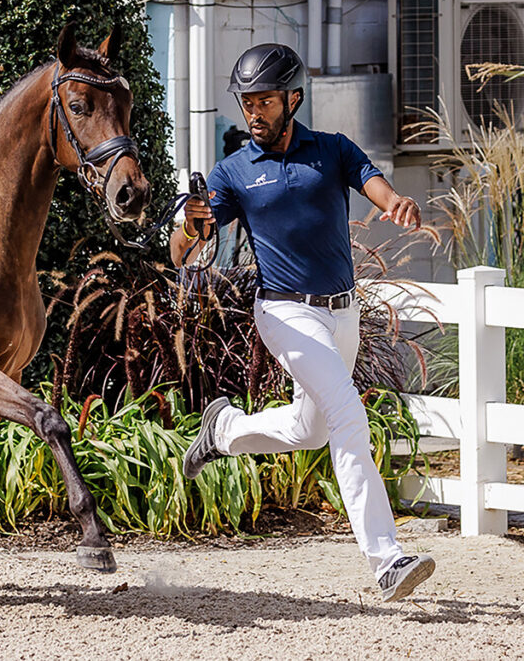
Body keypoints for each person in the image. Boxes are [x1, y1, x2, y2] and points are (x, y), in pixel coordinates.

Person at [171, 43, 435, 603]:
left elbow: (374, 183)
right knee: (346, 416)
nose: (254, 114)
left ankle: (223, 432)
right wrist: (192, 225)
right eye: (247, 103)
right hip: (285, 312)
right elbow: (183, 253)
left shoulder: (331, 150)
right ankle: (387, 559)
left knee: (309, 428)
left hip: (343, 312)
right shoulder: (234, 172)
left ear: (293, 98)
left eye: (265, 101)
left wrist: (397, 204)